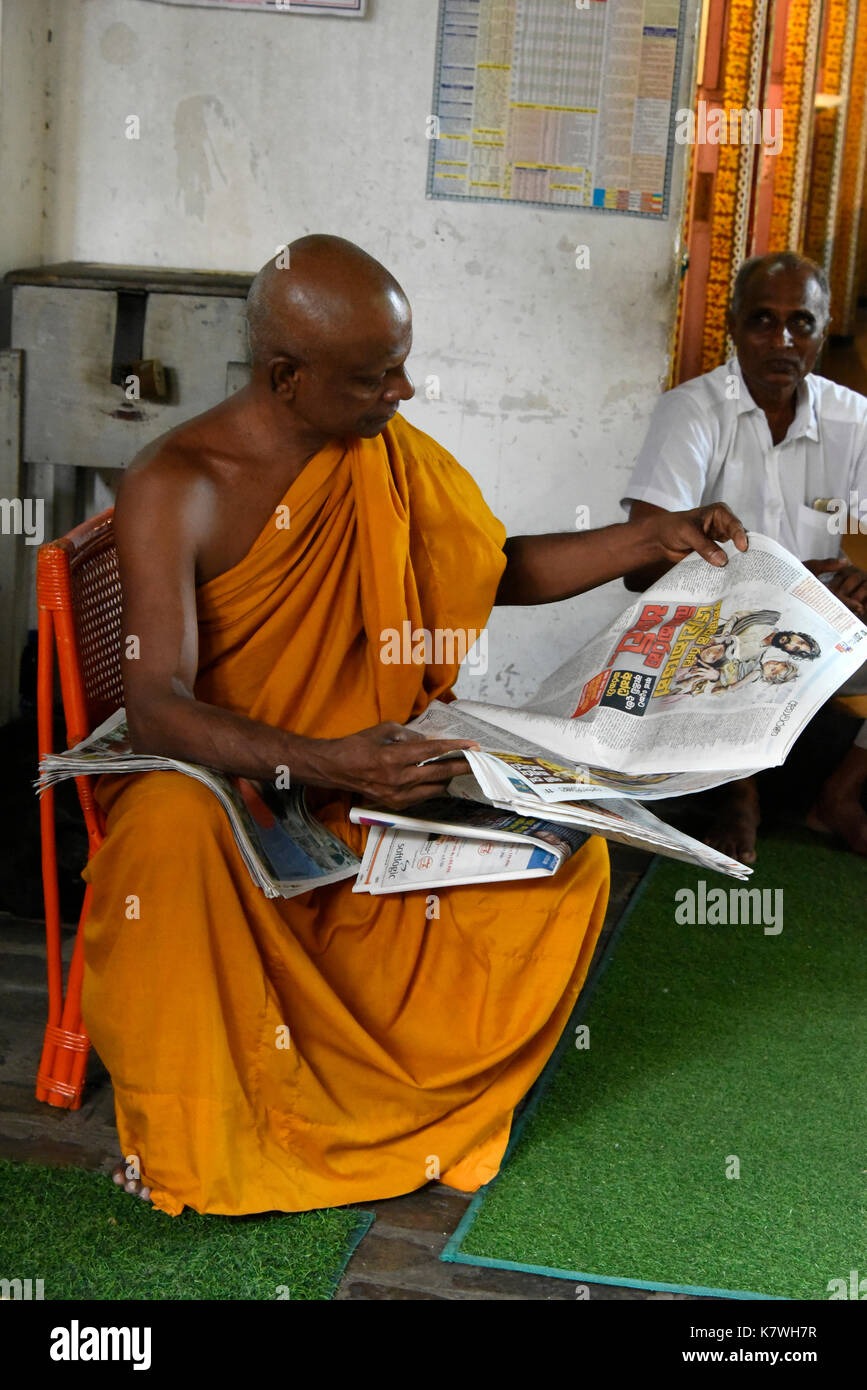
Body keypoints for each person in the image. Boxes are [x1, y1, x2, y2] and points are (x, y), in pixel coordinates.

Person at [85, 235, 747, 1216]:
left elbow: (493, 569)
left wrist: (649, 537)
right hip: (236, 799)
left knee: (566, 866)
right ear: (284, 375)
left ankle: (402, 1110)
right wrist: (325, 759)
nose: (404, 389)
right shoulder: (176, 484)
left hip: (366, 792)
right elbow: (160, 705)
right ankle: (221, 1130)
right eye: (374, 375)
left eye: (400, 361)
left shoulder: (379, 454)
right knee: (166, 835)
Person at [623, 251, 867, 861]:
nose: (782, 340)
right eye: (763, 320)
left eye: (801, 323)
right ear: (733, 325)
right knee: (722, 626)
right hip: (723, 628)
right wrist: (776, 582)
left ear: (824, 326)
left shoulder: (854, 418)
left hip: (821, 631)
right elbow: (640, 564)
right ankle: (738, 792)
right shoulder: (693, 411)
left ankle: (840, 795)